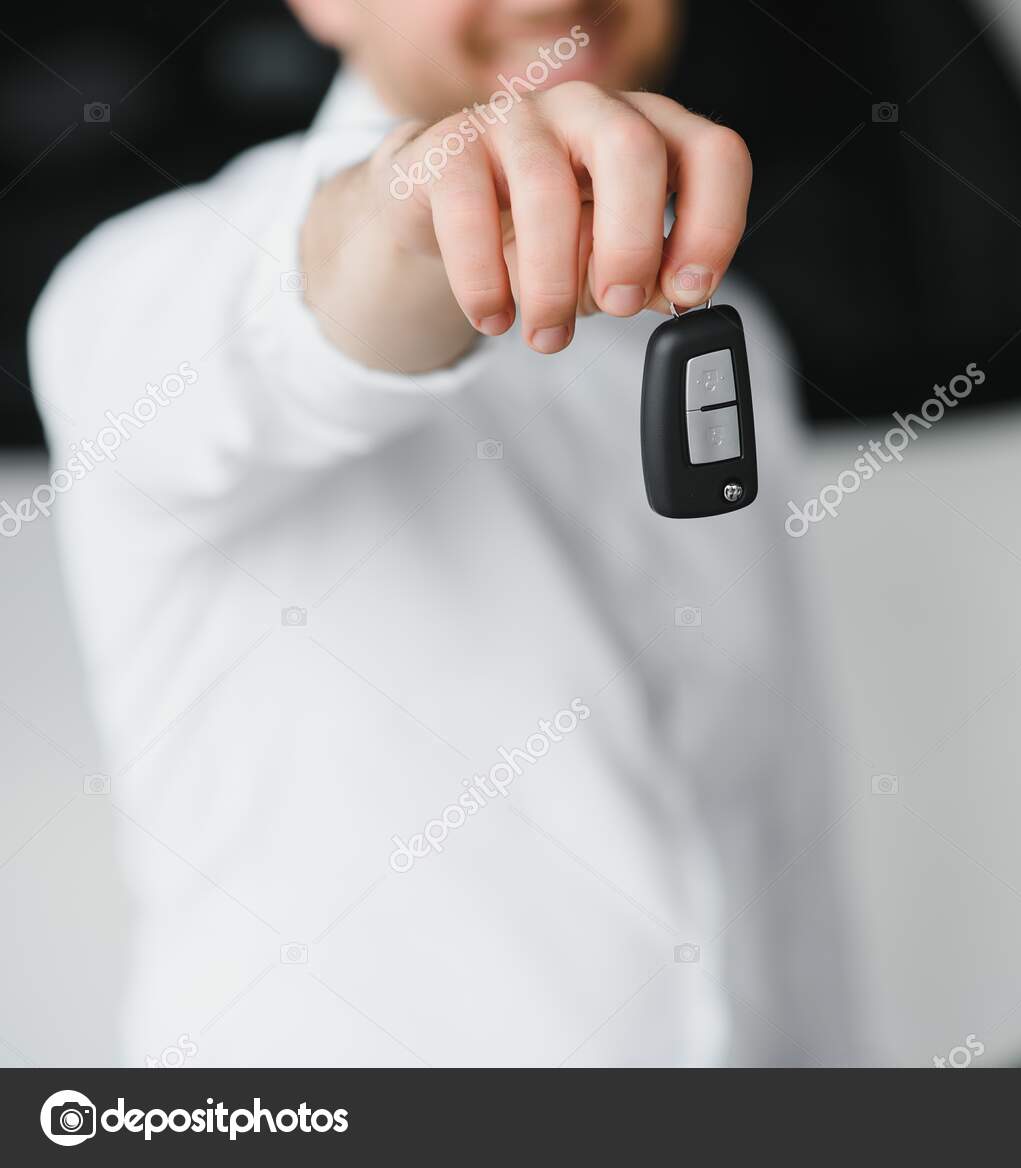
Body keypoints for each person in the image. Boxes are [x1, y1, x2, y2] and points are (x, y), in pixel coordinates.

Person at [28, 0, 858, 1066]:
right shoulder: (147, 285)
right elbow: (307, 298)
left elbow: (775, 839)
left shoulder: (722, 320)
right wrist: (410, 207)